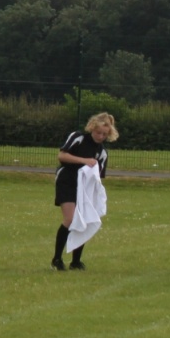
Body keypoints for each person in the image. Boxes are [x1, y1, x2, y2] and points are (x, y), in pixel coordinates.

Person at [52, 112, 118, 271]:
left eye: (104, 134)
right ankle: (56, 259)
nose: (100, 136)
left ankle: (76, 261)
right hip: (67, 180)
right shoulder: (78, 137)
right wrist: (84, 161)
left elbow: (98, 176)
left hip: (85, 187)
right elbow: (62, 155)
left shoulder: (102, 152)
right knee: (70, 218)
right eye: (98, 132)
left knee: (84, 220)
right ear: (92, 127)